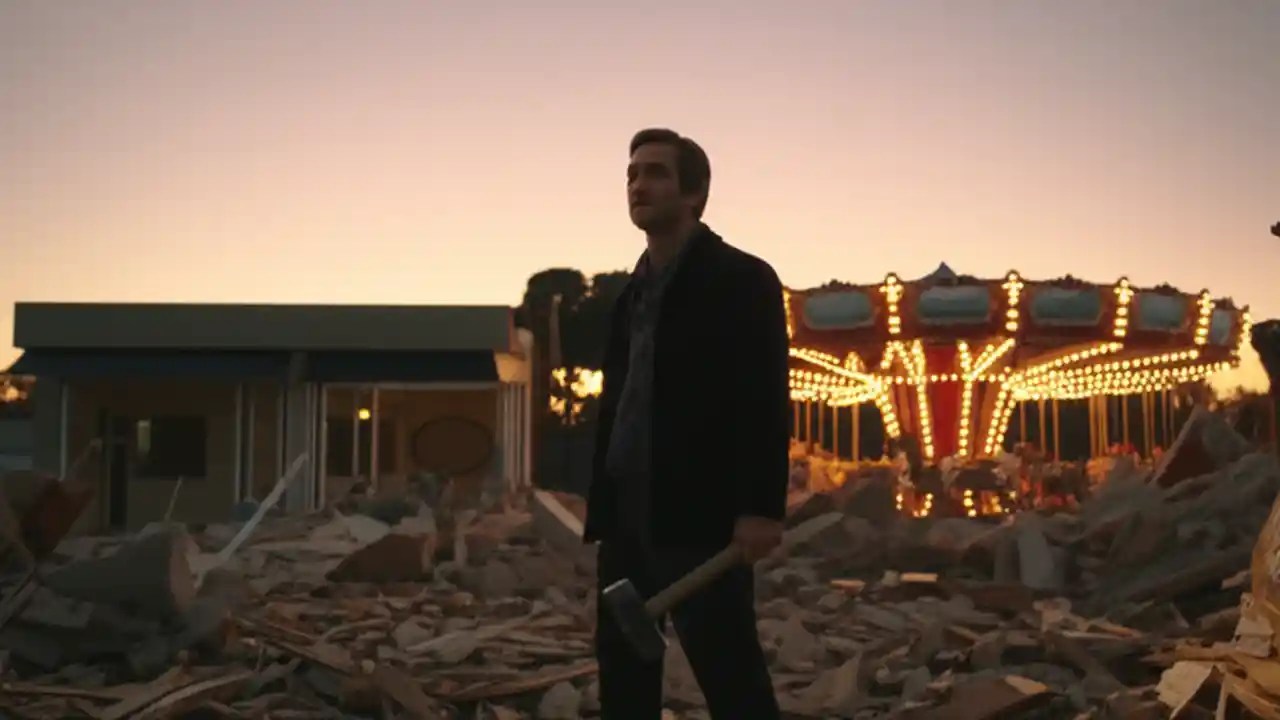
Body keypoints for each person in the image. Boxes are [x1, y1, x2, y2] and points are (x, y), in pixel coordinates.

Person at [583, 128, 790, 719]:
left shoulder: (741, 279)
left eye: (655, 173)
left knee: (729, 675)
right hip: (626, 512)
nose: (638, 185)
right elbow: (619, 404)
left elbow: (763, 397)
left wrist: (760, 508)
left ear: (695, 193)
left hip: (700, 516)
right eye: (631, 175)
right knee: (623, 678)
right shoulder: (630, 296)